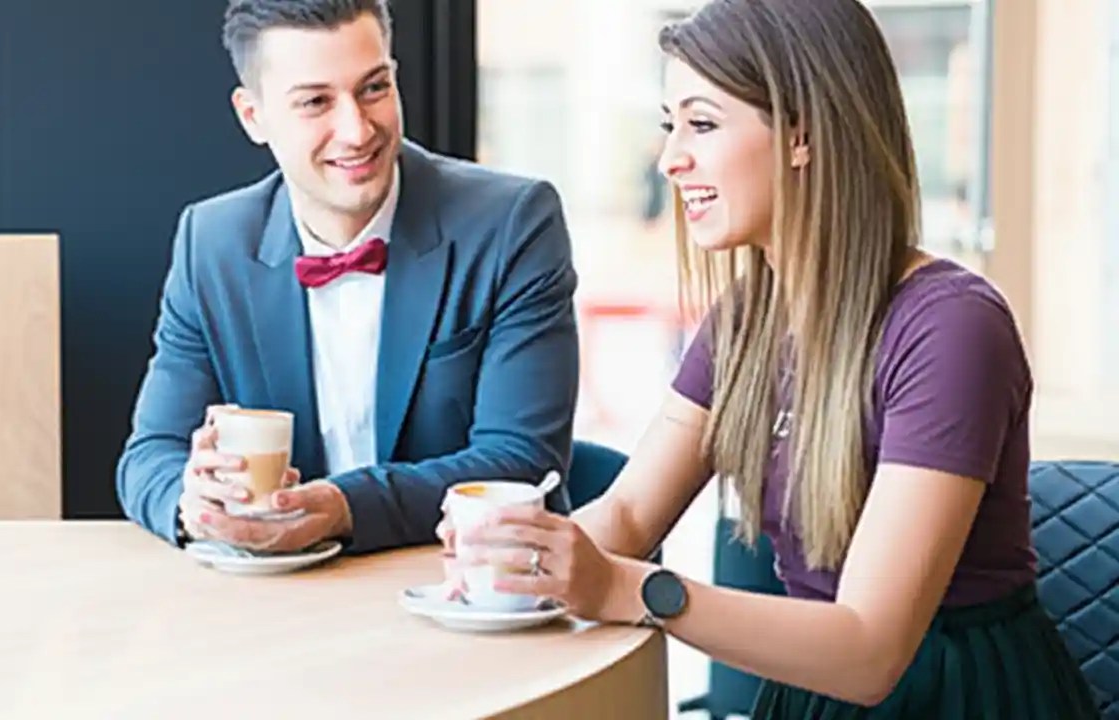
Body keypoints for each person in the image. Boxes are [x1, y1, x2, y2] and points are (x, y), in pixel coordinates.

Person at [444, 1, 1098, 717]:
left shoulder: (951, 330)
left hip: (953, 696)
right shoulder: (745, 325)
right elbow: (629, 513)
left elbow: (871, 650)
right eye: (670, 125)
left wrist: (623, 589)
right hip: (813, 686)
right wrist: (516, 555)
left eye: (702, 123)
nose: (669, 159)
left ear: (802, 134)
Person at [117, 0, 577, 556]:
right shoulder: (211, 243)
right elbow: (149, 455)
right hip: (280, 607)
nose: (357, 131)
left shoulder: (512, 223)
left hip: (462, 582)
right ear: (253, 117)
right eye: (315, 101)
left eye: (374, 88)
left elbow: (523, 460)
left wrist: (342, 508)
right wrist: (192, 500)